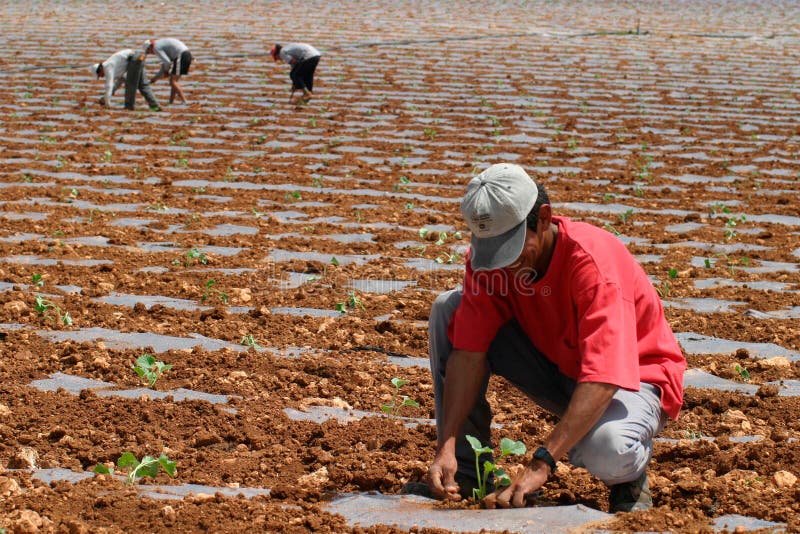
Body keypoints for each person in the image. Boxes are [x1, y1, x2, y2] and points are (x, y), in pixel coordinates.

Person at [422, 163, 686, 513]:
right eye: (494, 251)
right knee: (449, 309)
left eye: (513, 248)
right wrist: (447, 444)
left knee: (608, 450)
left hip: (631, 380)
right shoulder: (491, 265)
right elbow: (468, 353)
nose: (504, 265)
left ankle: (627, 479)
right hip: (558, 366)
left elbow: (604, 375)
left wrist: (541, 463)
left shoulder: (592, 266)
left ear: (543, 219)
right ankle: (467, 471)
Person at [91, 49, 160, 111]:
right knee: (142, 85)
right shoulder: (113, 68)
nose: (101, 76)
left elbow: (109, 86)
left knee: (130, 85)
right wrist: (106, 97)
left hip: (135, 58)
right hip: (138, 57)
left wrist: (107, 104)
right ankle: (155, 106)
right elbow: (122, 79)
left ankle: (129, 107)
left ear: (100, 70)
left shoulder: (108, 67)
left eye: (100, 75)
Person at [143, 38, 192, 104]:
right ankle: (171, 102)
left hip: (181, 56)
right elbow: (164, 65)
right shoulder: (160, 43)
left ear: (150, 47)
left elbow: (167, 63)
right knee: (173, 81)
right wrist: (155, 78)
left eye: (149, 52)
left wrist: (166, 72)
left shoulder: (156, 47)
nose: (151, 53)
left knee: (173, 81)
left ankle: (185, 101)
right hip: (186, 54)